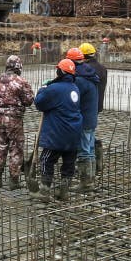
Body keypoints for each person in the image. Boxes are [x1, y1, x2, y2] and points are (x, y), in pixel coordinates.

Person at [31, 58, 82, 202]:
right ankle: (63, 192)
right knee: (69, 163)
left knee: (46, 160)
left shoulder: (54, 89)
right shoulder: (75, 88)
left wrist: (43, 88)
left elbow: (39, 103)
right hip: (74, 132)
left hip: (57, 133)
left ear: (61, 72)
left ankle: (45, 191)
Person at [0, 55, 35, 190]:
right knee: (16, 148)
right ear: (19, 67)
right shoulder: (21, 81)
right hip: (14, 119)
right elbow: (29, 100)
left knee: (0, 146)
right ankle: (14, 180)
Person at [67, 47, 100, 192]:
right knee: (90, 149)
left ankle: (86, 183)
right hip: (91, 118)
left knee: (84, 151)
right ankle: (90, 181)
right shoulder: (89, 73)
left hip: (84, 120)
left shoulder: (80, 79)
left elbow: (72, 99)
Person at [80, 41, 108, 175]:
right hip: (97, 105)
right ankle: (97, 163)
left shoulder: (86, 70)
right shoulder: (102, 68)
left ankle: (88, 173)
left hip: (87, 106)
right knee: (90, 132)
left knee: (86, 135)